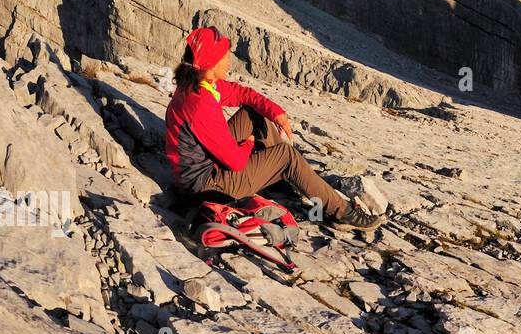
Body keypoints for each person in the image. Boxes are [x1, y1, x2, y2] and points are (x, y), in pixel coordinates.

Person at [164, 26, 382, 231]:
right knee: (287, 155)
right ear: (211, 64)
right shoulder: (201, 103)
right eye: (225, 57)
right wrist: (248, 143)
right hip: (207, 189)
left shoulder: (197, 84)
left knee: (253, 113)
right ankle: (342, 212)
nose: (229, 61)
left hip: (202, 172)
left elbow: (242, 94)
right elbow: (236, 162)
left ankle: (279, 177)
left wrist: (276, 112)